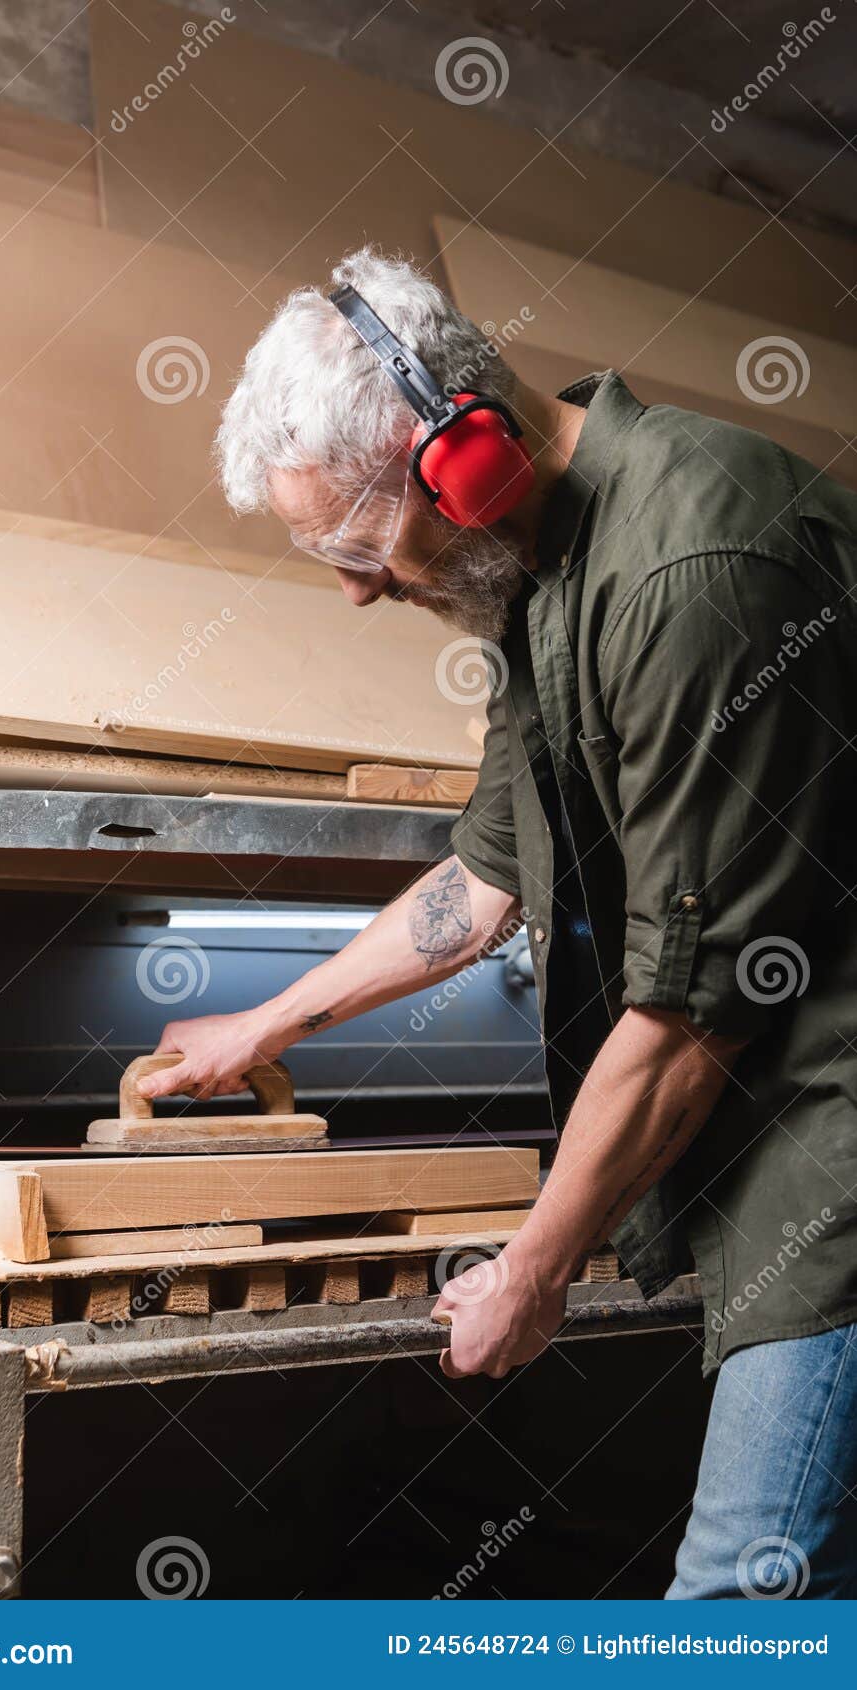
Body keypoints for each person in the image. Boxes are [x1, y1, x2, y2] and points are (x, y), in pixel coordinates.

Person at [144, 248, 857, 1597]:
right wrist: (263, 1020)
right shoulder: (539, 585)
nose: (358, 590)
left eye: (360, 549)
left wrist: (534, 1266)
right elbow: (483, 879)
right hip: (784, 1109)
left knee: (734, 1607)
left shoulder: (691, 573)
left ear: (460, 459)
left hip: (836, 1126)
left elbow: (695, 1007)